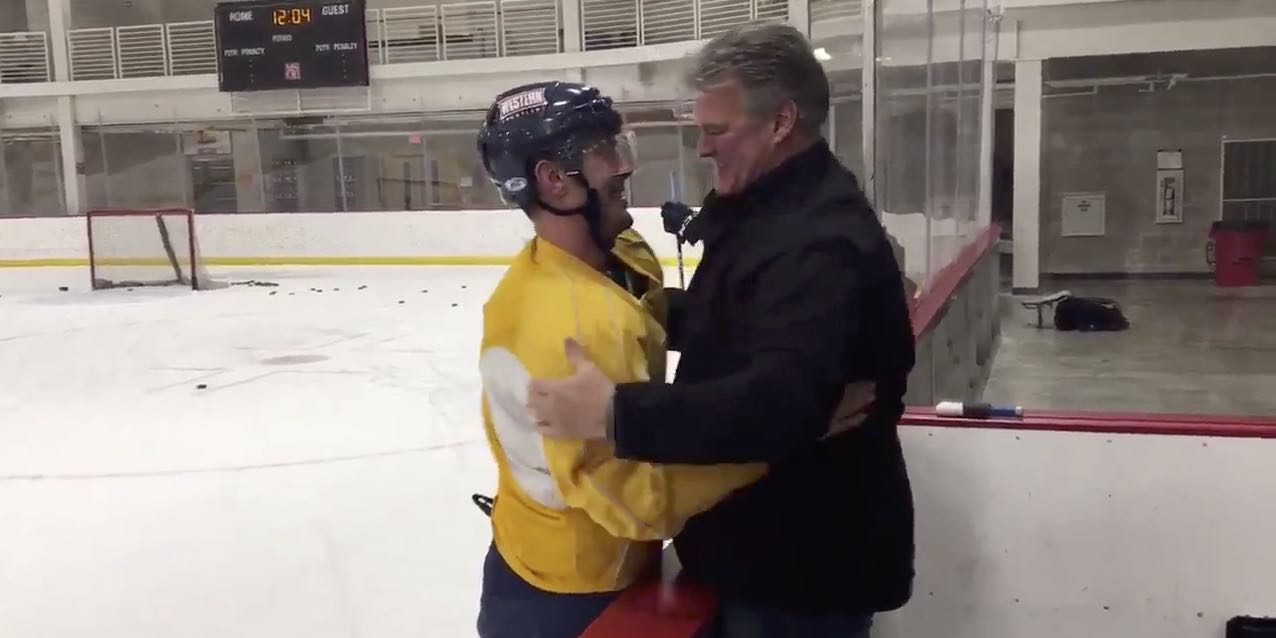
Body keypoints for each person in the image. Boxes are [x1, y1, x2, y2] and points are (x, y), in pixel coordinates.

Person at [526, 22, 917, 637]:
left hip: (798, 576)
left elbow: (781, 402)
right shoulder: (770, 205)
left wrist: (615, 414)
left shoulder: (817, 241)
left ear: (782, 122)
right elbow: (741, 319)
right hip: (758, 556)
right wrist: (643, 308)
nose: (703, 148)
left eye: (716, 131)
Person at [472, 80, 774, 638]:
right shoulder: (569, 327)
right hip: (567, 588)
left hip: (572, 554)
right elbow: (640, 502)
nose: (624, 165)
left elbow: (656, 314)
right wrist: (776, 445)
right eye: (604, 150)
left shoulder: (618, 253)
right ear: (555, 181)